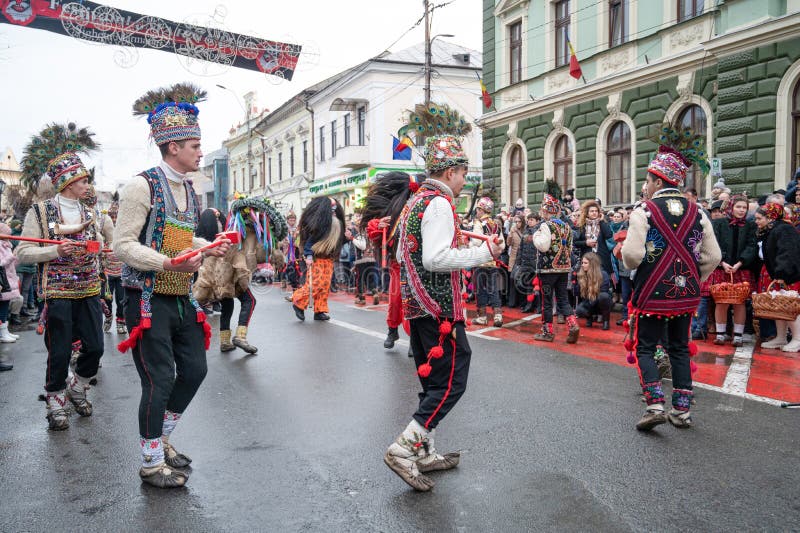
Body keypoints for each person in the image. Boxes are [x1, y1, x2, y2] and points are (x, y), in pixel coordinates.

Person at [115, 83, 230, 488]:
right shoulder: (140, 186)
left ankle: (161, 441)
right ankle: (150, 463)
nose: (201, 151)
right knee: (159, 379)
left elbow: (181, 237)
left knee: (195, 370)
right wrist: (166, 262)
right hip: (145, 298)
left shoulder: (188, 188)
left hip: (180, 295)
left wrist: (208, 246)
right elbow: (123, 245)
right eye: (195, 145)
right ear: (173, 146)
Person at [384, 135, 502, 492]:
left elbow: (409, 257)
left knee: (434, 382)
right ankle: (404, 448)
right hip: (439, 310)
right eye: (464, 173)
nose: (465, 180)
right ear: (451, 172)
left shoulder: (415, 202)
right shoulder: (436, 204)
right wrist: (484, 254)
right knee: (452, 380)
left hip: (420, 307)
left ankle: (424, 450)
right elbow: (434, 259)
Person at [622, 143, 720, 431]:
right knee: (678, 349)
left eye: (648, 180)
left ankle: (654, 405)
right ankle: (682, 411)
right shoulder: (698, 212)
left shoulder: (645, 210)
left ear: (658, 181)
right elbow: (714, 256)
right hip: (686, 294)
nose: (646, 185)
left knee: (646, 348)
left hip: (652, 293)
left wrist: (641, 270)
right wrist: (691, 279)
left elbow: (632, 256)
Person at [15, 122, 103, 431]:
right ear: (68, 183)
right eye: (82, 180)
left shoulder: (90, 212)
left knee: (95, 347)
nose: (87, 184)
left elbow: (101, 243)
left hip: (91, 287)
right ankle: (55, 400)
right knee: (60, 351)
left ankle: (77, 387)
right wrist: (55, 252)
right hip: (57, 292)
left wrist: (99, 249)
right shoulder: (39, 213)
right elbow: (22, 253)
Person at [195, 198, 286, 354]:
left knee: (227, 305)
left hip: (221, 273)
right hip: (234, 274)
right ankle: (240, 337)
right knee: (250, 301)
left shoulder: (232, 229)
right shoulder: (249, 232)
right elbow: (259, 255)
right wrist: (275, 253)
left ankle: (225, 341)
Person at [359, 172, 419, 350]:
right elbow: (373, 229)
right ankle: (392, 330)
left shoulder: (423, 209)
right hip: (398, 265)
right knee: (395, 300)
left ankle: (414, 339)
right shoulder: (394, 211)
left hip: (417, 266)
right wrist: (379, 226)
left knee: (414, 303)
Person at [709, 194, 757, 346]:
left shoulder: (750, 225)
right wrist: (722, 262)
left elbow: (752, 246)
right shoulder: (719, 223)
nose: (741, 210)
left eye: (744, 207)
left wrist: (740, 263)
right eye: (738, 207)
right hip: (722, 268)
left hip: (740, 269)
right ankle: (721, 334)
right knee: (721, 302)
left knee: (740, 302)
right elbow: (713, 244)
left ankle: (737, 335)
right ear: (731, 207)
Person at [532, 194, 580, 343]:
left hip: (548, 271)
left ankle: (547, 332)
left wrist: (535, 236)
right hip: (563, 269)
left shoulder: (546, 225)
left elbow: (543, 245)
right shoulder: (566, 227)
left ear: (546, 211)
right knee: (563, 299)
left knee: (546, 301)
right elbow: (570, 248)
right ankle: (572, 324)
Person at [754, 203, 800, 351]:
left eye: (759, 218)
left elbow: (787, 252)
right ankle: (780, 338)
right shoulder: (773, 229)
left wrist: (781, 273)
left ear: (770, 217)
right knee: (780, 306)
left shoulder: (784, 229)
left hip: (790, 276)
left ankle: (797, 339)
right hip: (781, 275)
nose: (756, 221)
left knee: (790, 307)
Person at [291, 197, 346, 321]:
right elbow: (309, 243)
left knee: (325, 286)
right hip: (317, 259)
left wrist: (347, 238)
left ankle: (319, 310)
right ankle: (298, 303)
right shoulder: (321, 227)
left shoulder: (337, 226)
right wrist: (309, 256)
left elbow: (337, 244)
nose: (334, 213)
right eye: (331, 211)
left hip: (328, 259)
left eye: (335, 211)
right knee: (315, 284)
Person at [470, 197, 506, 327]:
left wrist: (469, 244)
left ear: (481, 210)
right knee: (493, 289)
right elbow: (502, 246)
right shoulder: (496, 225)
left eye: (478, 209)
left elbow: (476, 242)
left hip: (480, 261)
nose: (477, 212)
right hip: (493, 262)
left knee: (480, 289)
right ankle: (497, 316)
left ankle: (482, 317)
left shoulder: (478, 223)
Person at [100, 193, 127, 335]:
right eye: (112, 216)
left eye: (117, 216)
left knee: (122, 300)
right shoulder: (103, 233)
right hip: (107, 272)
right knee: (107, 299)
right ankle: (108, 317)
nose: (114, 219)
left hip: (122, 272)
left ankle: (121, 322)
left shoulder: (125, 232)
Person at [574, 200, 614, 277]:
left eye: (596, 211)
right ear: (587, 213)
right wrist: (586, 243)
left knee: (602, 284)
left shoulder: (602, 223)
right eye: (592, 211)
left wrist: (602, 221)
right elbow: (575, 242)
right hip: (587, 260)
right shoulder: (581, 226)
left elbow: (608, 235)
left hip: (601, 259)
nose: (594, 213)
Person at [575, 252, 612, 330]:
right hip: (588, 302)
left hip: (599, 303)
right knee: (579, 310)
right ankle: (589, 318)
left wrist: (591, 301)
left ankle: (606, 321)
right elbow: (577, 294)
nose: (582, 265)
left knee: (603, 296)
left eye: (585, 263)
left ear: (592, 264)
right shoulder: (582, 275)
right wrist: (577, 282)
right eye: (582, 263)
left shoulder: (603, 274)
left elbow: (604, 291)